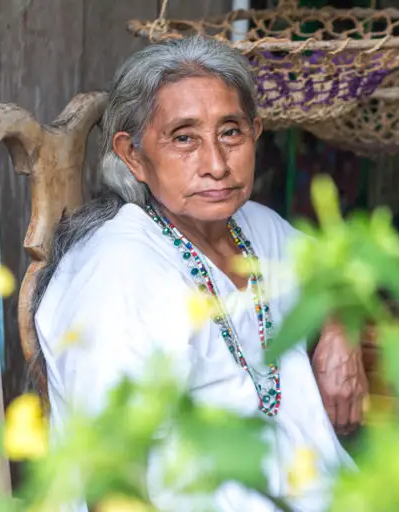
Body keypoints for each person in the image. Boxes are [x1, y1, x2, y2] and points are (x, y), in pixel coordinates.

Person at [31, 36, 368, 511]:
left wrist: (338, 332)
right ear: (133, 155)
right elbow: (110, 476)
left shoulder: (255, 227)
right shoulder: (118, 273)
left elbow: (339, 270)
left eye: (230, 132)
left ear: (255, 133)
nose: (216, 165)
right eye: (184, 138)